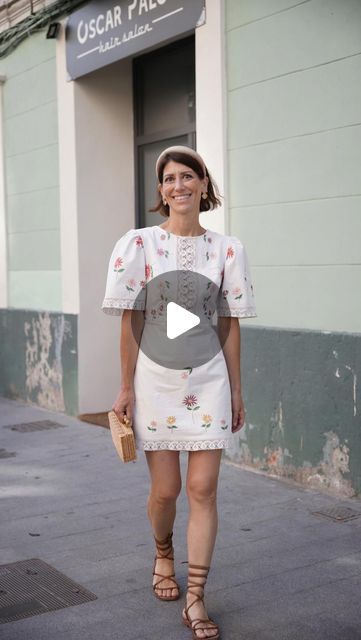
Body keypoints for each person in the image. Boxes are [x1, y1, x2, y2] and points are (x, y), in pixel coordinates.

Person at [102, 146, 257, 639]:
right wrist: (124, 387)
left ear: (203, 185)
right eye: (169, 179)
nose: (178, 186)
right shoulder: (140, 245)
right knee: (166, 491)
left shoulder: (227, 249)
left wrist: (235, 389)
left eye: (187, 176)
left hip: (209, 381)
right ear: (161, 191)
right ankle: (163, 551)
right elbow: (130, 321)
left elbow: (230, 323)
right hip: (155, 381)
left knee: (203, 489)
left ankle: (196, 598)